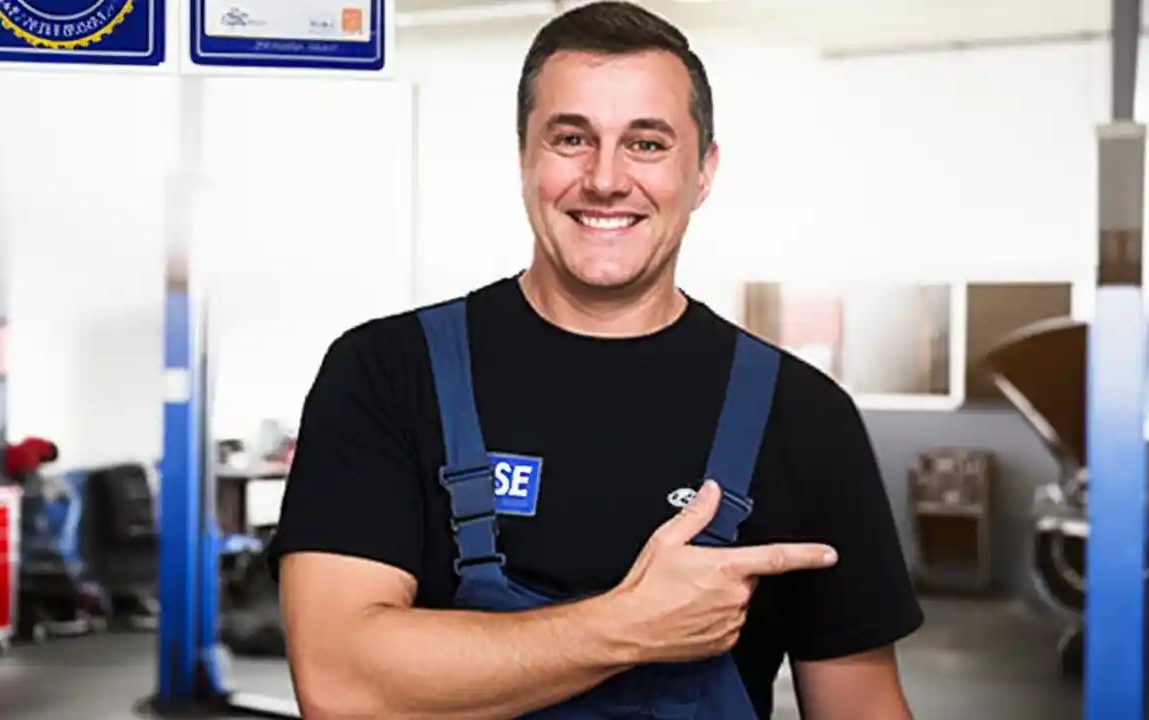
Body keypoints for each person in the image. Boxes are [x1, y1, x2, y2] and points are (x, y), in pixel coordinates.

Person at [265, 2, 923, 718]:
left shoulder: (804, 416)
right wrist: (628, 628)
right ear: (524, 157)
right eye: (572, 138)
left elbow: (862, 706)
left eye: (647, 144)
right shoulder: (387, 374)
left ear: (703, 172)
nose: (606, 179)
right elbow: (339, 685)